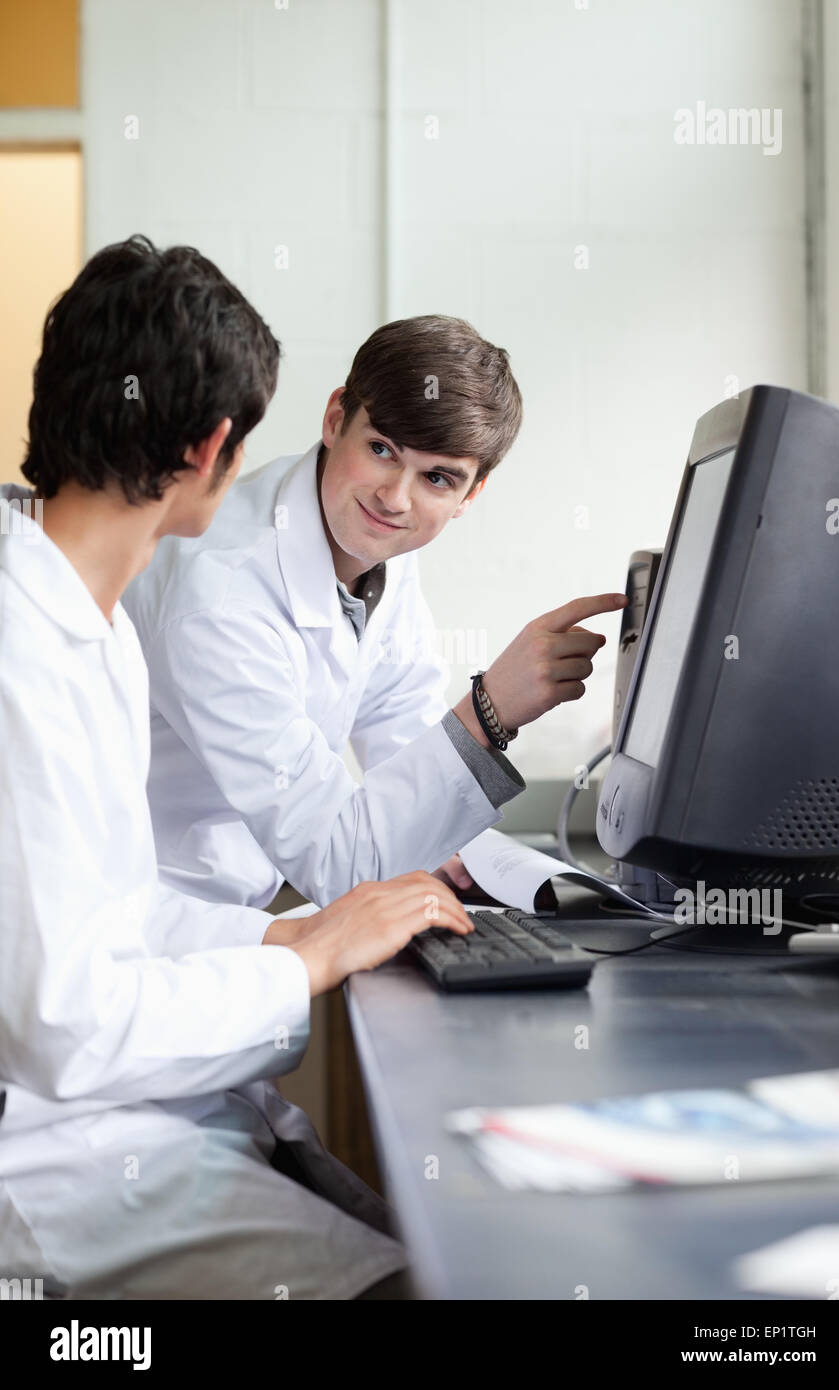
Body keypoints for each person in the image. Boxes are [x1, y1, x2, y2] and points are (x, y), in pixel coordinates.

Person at [0, 235, 473, 1300]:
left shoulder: (90, 620)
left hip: (119, 1096)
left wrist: (287, 931)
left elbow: (115, 908)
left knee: (407, 1240)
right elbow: (61, 1024)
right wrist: (304, 961)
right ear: (217, 445)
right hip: (45, 1148)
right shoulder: (27, 648)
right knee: (416, 1280)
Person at [124, 315, 627, 909]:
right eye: (382, 450)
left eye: (437, 478)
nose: (396, 498)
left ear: (471, 494)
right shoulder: (221, 596)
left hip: (251, 902)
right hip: (162, 921)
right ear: (337, 418)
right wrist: (490, 710)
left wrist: (440, 837)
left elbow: (401, 725)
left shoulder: (375, 537)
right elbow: (340, 862)